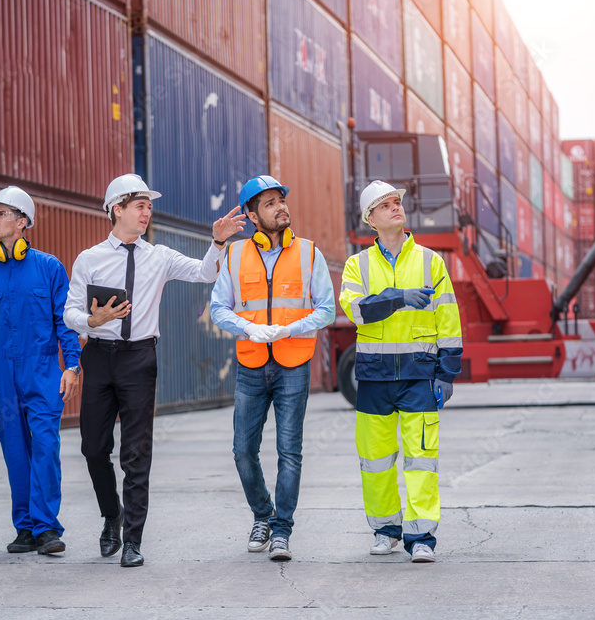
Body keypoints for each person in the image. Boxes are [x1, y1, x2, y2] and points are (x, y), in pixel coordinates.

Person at [65, 173, 245, 567]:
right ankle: (112, 513)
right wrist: (92, 322)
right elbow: (70, 312)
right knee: (93, 448)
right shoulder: (89, 259)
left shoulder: (159, 256)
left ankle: (133, 539)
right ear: (117, 209)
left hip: (139, 359)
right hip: (98, 355)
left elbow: (205, 272)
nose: (147, 212)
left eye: (149, 206)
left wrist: (217, 242)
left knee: (136, 452)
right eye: (139, 205)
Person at [209, 176, 335, 562]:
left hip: (293, 363)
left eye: (281, 200)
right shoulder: (233, 255)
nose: (280, 207)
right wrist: (249, 327)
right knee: (243, 451)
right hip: (250, 364)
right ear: (252, 215)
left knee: (289, 451)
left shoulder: (310, 253)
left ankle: (281, 530)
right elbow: (218, 307)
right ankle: (263, 514)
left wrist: (290, 328)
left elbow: (327, 309)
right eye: (268, 203)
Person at [339, 181, 463, 563]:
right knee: (375, 462)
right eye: (386, 205)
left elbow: (449, 319)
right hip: (374, 379)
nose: (396, 208)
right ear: (371, 219)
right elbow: (355, 309)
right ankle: (386, 531)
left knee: (421, 459)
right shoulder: (356, 265)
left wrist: (447, 372)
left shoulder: (430, 261)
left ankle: (421, 537)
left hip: (419, 375)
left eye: (398, 203)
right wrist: (397, 298)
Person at [0, 186, 81, 556]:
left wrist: (72, 364)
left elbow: (65, 322)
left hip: (42, 371)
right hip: (0, 377)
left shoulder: (49, 268)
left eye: (0, 213)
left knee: (45, 447)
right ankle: (25, 528)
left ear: (23, 221)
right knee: (16, 452)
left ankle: (47, 527)